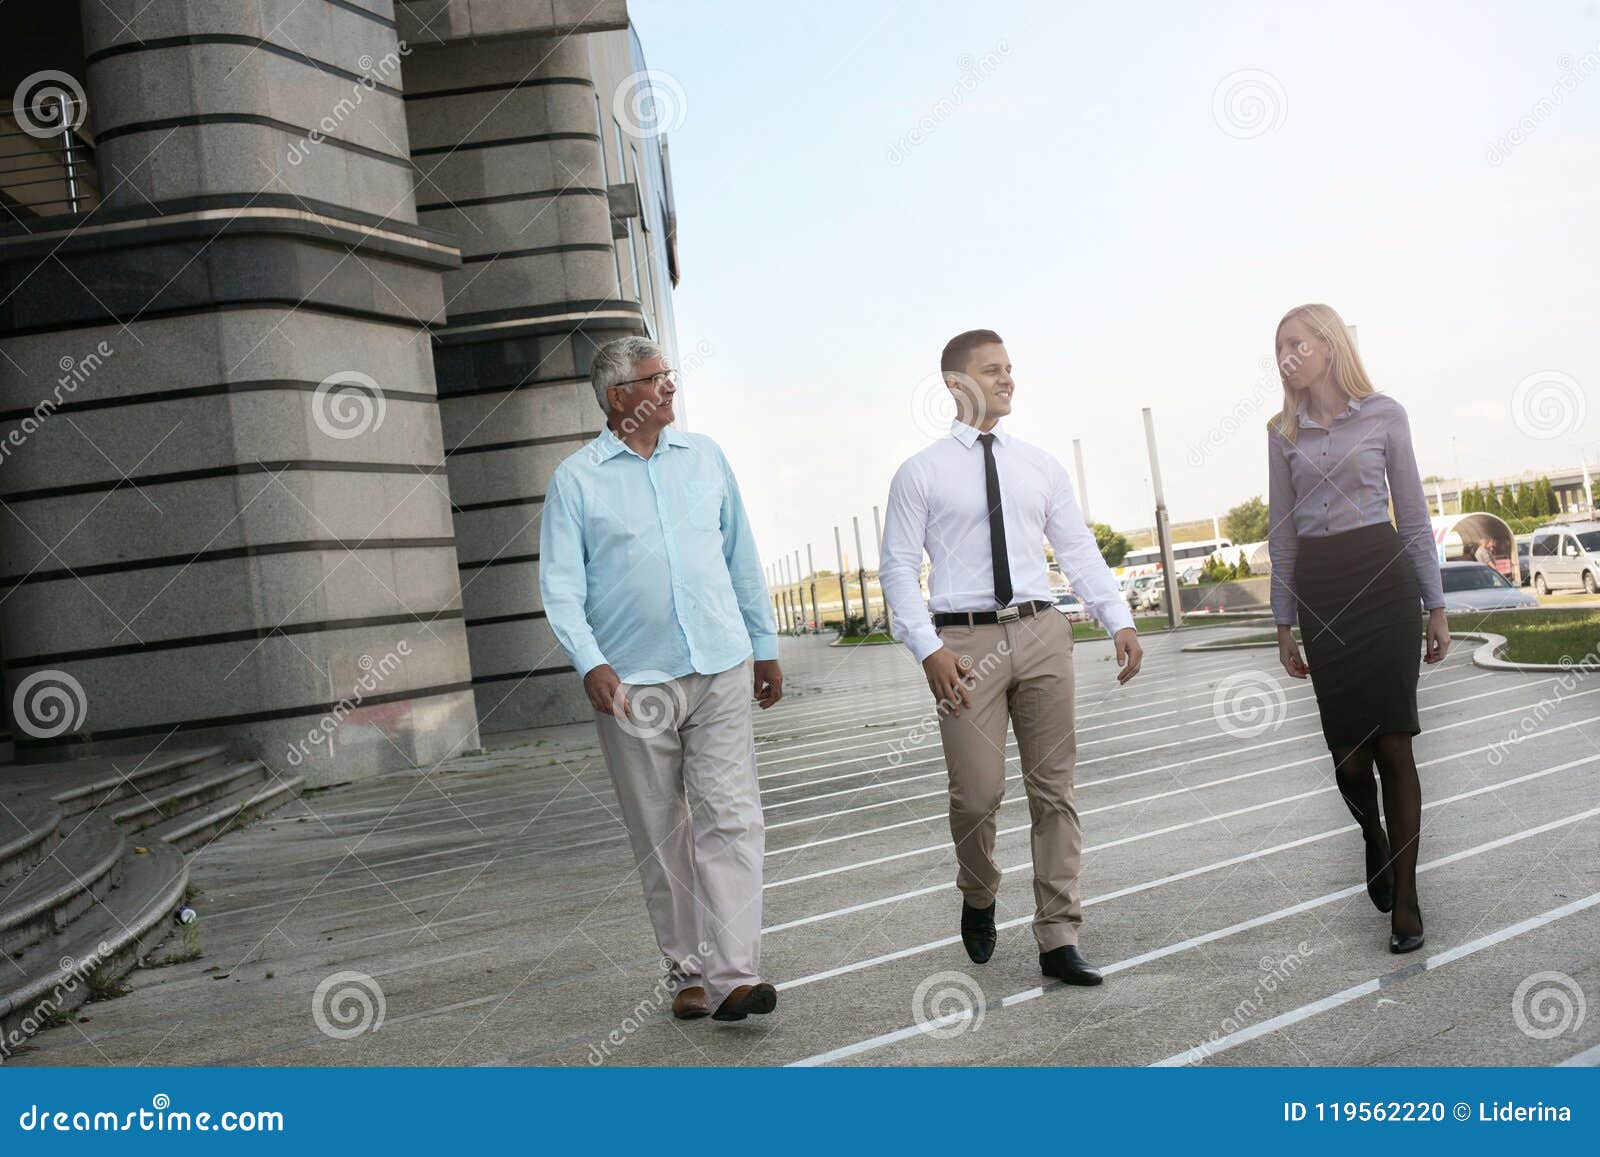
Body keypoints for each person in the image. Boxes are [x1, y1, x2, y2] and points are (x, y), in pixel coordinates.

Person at [879, 329, 1144, 986]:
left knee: (1054, 792)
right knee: (977, 795)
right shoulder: (921, 472)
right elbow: (897, 569)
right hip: (962, 644)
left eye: (1010, 369)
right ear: (956, 383)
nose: (1008, 380)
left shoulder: (1040, 466)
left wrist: (1118, 619)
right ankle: (978, 891)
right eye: (993, 370)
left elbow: (1077, 551)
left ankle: (1059, 936)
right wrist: (928, 647)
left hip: (1042, 631)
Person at [539, 336, 784, 1022]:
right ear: (619, 398)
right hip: (633, 684)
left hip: (722, 663)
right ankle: (688, 968)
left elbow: (740, 556)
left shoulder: (705, 458)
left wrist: (764, 644)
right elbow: (560, 588)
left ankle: (736, 973)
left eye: (669, 375)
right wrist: (590, 661)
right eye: (656, 379)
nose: (670, 388)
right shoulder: (577, 479)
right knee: (660, 828)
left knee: (731, 817)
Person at [1266, 303, 1449, 954]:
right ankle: (1373, 833)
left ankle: (1407, 897)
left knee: (1395, 745)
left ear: (1328, 344)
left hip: (1384, 576)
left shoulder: (1384, 414)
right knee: (1349, 756)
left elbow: (1415, 511)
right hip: (1323, 591)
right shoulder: (1281, 431)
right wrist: (1282, 618)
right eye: (1279, 345)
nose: (1287, 354)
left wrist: (1436, 603)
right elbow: (1281, 530)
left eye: (1297, 342)